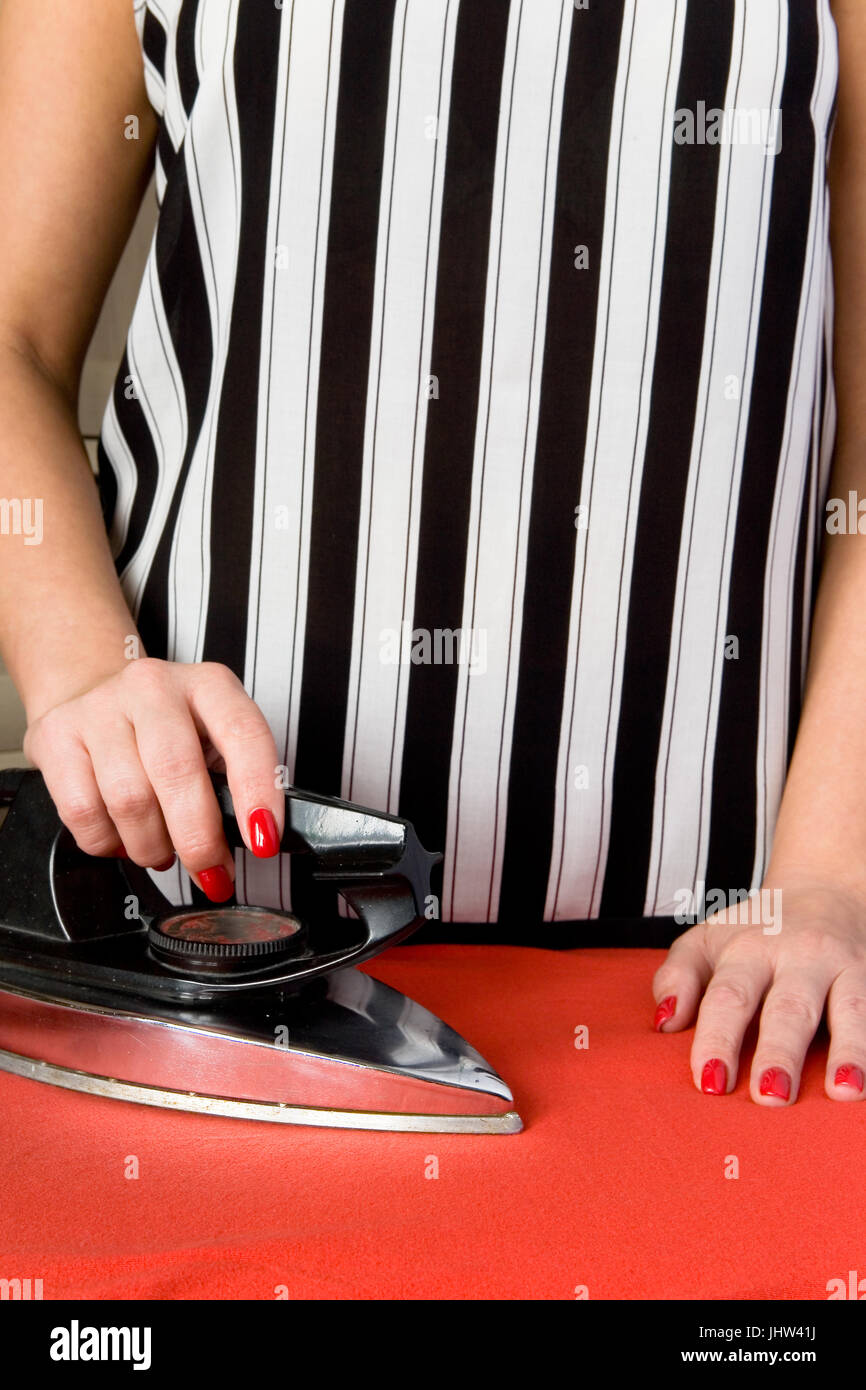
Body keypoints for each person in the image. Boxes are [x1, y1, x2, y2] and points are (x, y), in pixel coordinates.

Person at [0, 0, 863, 1108]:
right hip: (187, 957)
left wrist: (832, 872)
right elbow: (11, 334)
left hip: (729, 984)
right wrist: (85, 671)